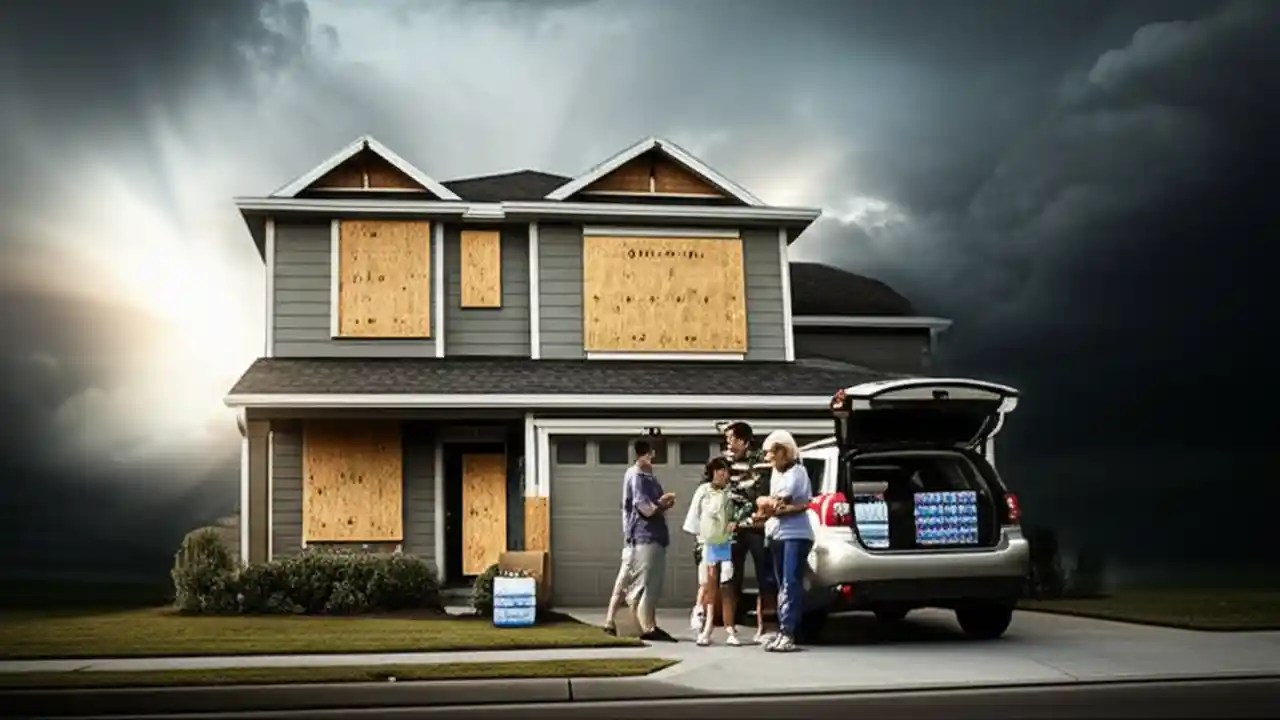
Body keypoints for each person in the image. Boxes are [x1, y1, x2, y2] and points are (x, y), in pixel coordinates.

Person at [757, 429, 815, 653]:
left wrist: (766, 503)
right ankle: (783, 629)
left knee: (791, 584)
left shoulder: (796, 472)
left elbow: (778, 504)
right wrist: (768, 504)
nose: (767, 458)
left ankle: (788, 633)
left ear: (782, 451)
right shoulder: (776, 473)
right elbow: (773, 505)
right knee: (782, 585)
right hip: (778, 534)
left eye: (770, 453)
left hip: (795, 535)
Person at [614, 437, 677, 642]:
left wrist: (662, 505)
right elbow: (645, 509)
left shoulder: (647, 476)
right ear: (647, 453)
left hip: (652, 535)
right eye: (653, 452)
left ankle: (646, 624)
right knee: (645, 584)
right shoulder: (638, 476)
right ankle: (645, 627)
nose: (655, 457)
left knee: (646, 583)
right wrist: (662, 503)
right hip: (644, 535)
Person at [722, 421, 777, 645]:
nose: (729, 443)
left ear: (745, 441)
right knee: (731, 577)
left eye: (732, 439)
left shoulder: (760, 462)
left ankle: (765, 628)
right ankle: (730, 629)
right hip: (733, 529)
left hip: (756, 527)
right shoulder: (723, 463)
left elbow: (763, 491)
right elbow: (711, 489)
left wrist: (754, 511)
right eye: (727, 439)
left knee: (765, 576)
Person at [682, 456, 741, 646]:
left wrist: (736, 522)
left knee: (727, 585)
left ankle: (730, 628)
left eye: (725, 470)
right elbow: (694, 518)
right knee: (709, 585)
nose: (723, 474)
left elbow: (744, 508)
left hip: (728, 542)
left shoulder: (732, 493)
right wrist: (700, 541)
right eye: (719, 470)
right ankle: (707, 627)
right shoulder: (703, 491)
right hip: (708, 544)